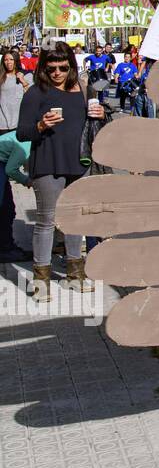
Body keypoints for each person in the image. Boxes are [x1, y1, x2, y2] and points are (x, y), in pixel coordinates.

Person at [16, 42, 106, 299]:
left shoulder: (83, 90)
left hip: (79, 163)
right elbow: (23, 132)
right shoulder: (36, 92)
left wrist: (100, 114)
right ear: (44, 67)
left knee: (76, 218)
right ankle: (41, 280)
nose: (57, 72)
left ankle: (74, 274)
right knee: (46, 221)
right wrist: (41, 126)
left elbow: (95, 125)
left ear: (71, 66)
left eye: (63, 67)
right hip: (46, 163)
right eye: (51, 67)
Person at [0, 131, 31, 262]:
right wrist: (27, 181)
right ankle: (5, 250)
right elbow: (11, 169)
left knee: (8, 208)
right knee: (5, 209)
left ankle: (6, 246)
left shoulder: (27, 135)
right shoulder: (27, 143)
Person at [1, 50, 31, 136]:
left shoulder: (27, 75)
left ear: (16, 60)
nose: (8, 62)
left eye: (11, 59)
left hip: (22, 122)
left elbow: (32, 96)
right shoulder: (1, 77)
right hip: (3, 123)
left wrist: (23, 81)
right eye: (6, 60)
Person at [112, 49, 139, 115]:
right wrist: (116, 78)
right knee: (123, 96)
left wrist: (136, 76)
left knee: (132, 96)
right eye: (126, 57)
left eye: (128, 57)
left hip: (131, 82)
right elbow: (117, 73)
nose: (127, 58)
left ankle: (132, 109)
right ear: (124, 57)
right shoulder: (120, 65)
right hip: (122, 82)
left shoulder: (133, 65)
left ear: (130, 58)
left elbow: (135, 73)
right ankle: (122, 108)